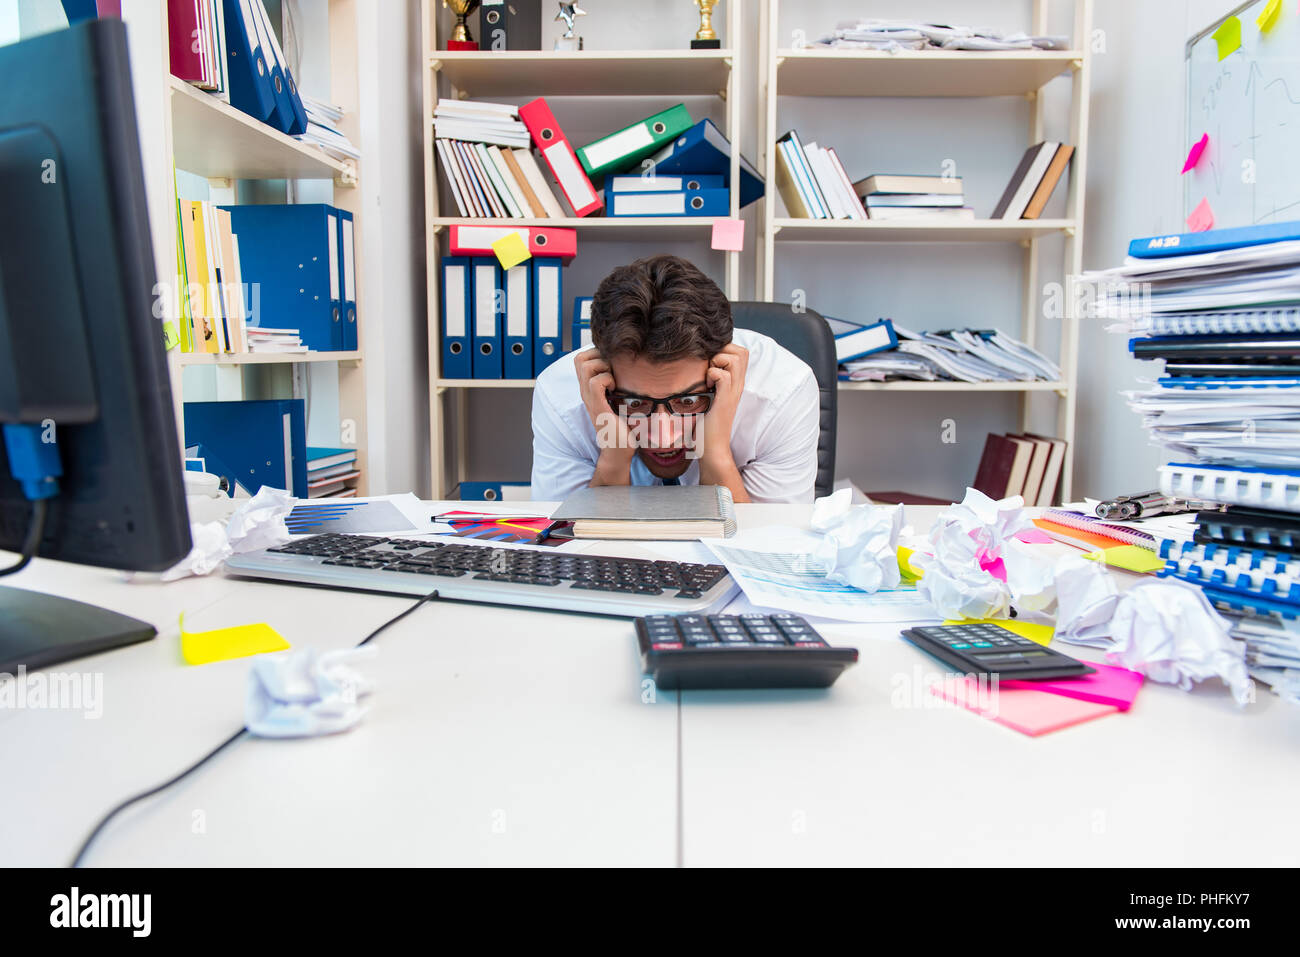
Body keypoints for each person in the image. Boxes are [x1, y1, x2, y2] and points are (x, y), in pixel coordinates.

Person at [531, 254, 820, 503]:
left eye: (688, 400)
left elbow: (769, 552)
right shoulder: (562, 397)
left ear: (719, 368)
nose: (662, 438)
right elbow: (567, 549)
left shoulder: (782, 391)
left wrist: (715, 451)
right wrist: (615, 455)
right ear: (606, 377)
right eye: (633, 403)